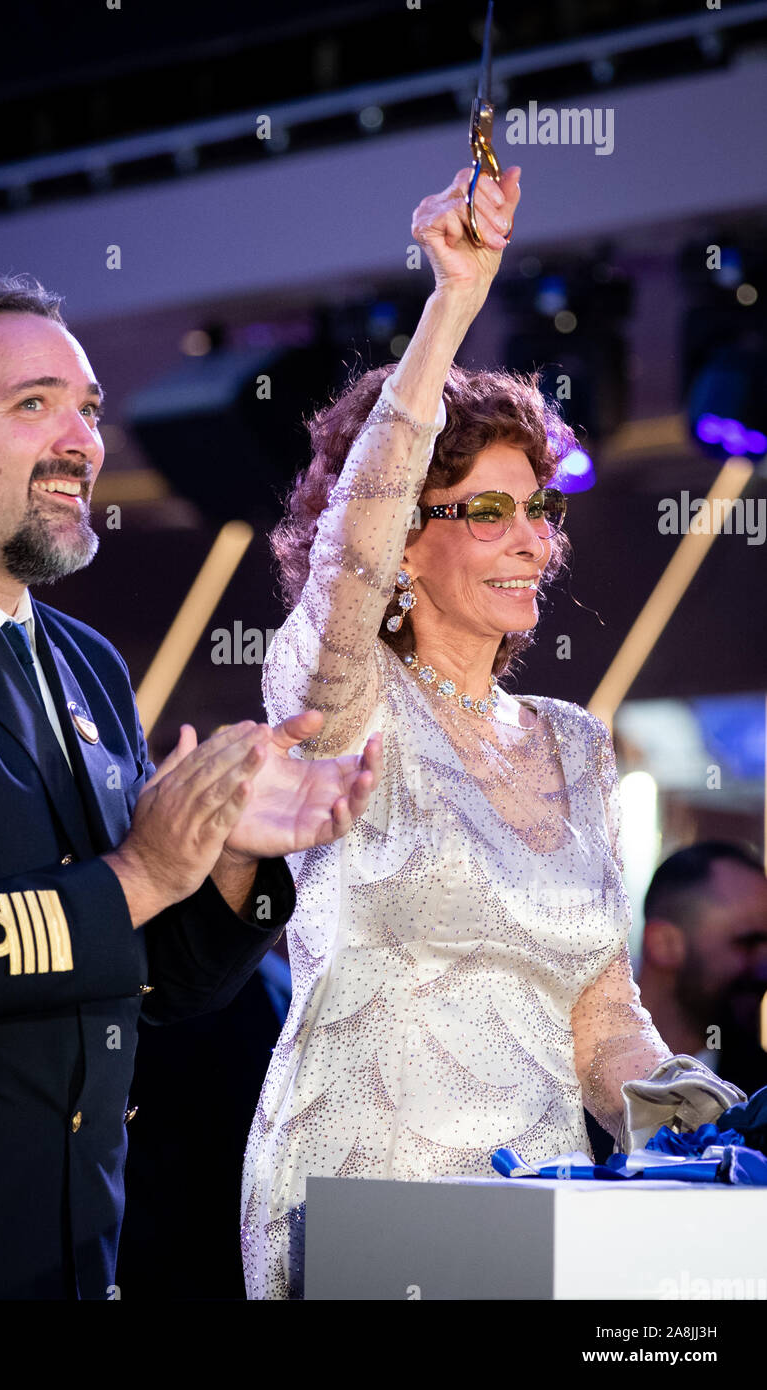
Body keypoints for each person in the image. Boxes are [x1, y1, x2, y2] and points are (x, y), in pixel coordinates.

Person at [0, 275, 382, 1300]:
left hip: (76, 1260)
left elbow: (153, 982)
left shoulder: (85, 663)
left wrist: (228, 857)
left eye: (87, 408)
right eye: (32, 403)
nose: (81, 440)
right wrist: (140, 870)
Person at [240, 167, 735, 1299]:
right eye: (485, 510)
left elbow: (599, 1017)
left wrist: (701, 1120)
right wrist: (451, 302)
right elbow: (348, 549)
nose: (531, 540)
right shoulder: (339, 693)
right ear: (407, 549)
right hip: (362, 1196)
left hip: (539, 1216)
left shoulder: (571, 741)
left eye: (537, 509)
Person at [639, 841, 767, 1096]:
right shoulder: (564, 1083)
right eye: (747, 943)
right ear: (663, 944)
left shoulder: (760, 1094)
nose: (764, 968)